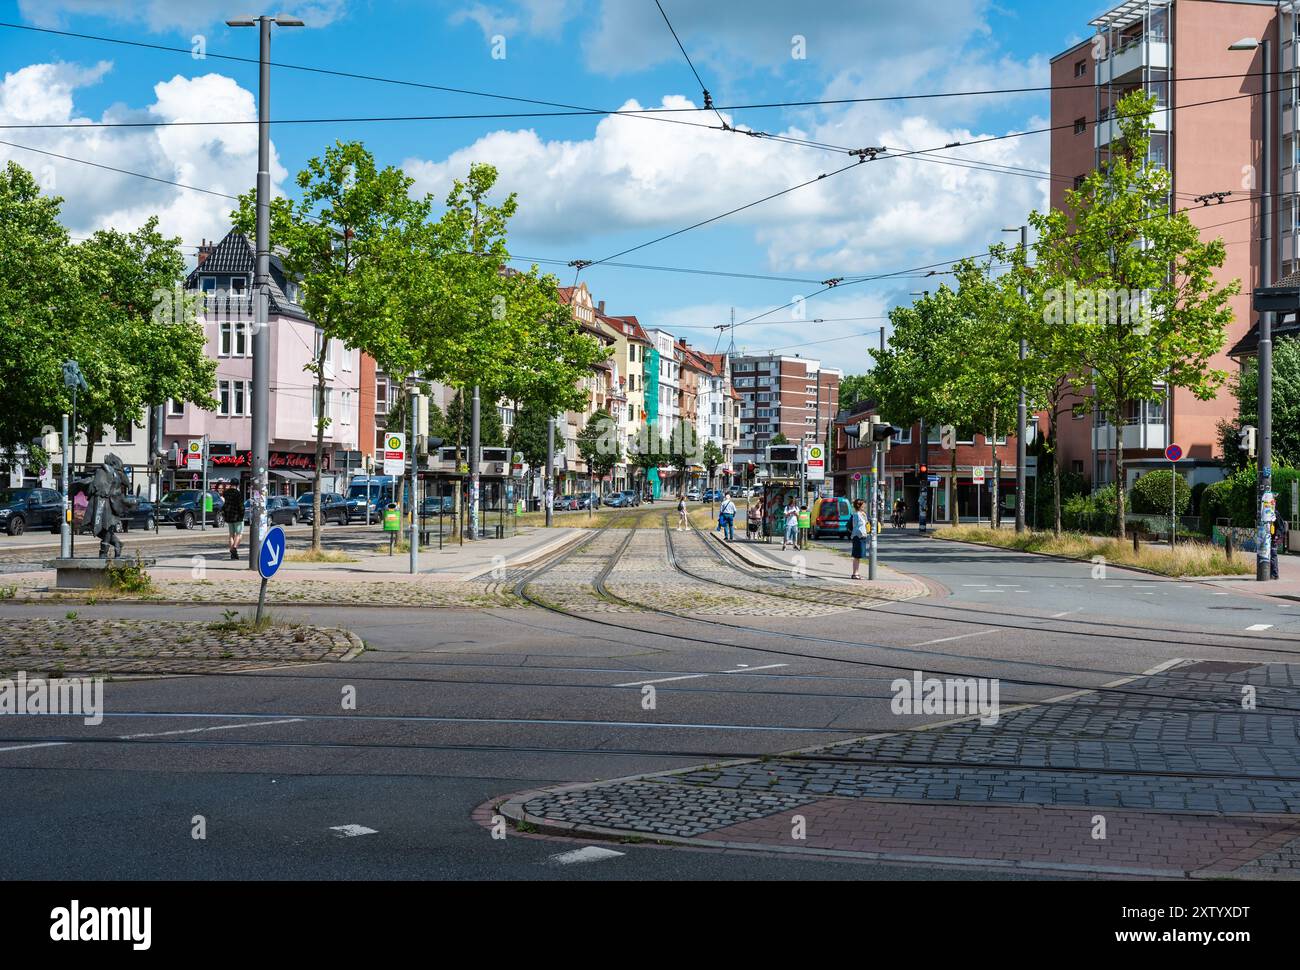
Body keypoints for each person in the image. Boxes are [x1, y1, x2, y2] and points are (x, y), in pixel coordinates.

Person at [223, 484, 245, 560]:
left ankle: (233, 553)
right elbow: (241, 505)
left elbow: (225, 504)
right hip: (237, 517)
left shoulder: (226, 493)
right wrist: (242, 514)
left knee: (231, 535)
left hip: (229, 516)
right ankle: (234, 548)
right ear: (237, 485)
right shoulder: (238, 493)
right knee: (239, 534)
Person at [850, 498, 869, 579]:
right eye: (863, 505)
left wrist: (865, 517)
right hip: (858, 536)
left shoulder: (862, 514)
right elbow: (857, 526)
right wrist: (861, 534)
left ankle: (856, 572)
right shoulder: (856, 514)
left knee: (858, 556)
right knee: (857, 556)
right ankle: (855, 573)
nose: (864, 506)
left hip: (861, 536)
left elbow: (865, 523)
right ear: (859, 506)